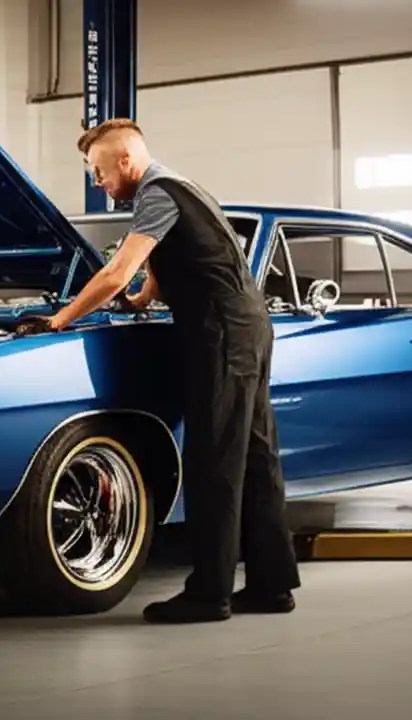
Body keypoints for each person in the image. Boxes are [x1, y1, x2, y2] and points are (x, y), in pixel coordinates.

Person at [40, 118, 300, 623]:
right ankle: (272, 585)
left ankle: (209, 594)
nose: (98, 183)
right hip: (249, 326)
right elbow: (161, 257)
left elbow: (118, 269)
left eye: (98, 172)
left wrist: (63, 317)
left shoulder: (155, 194)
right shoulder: (181, 186)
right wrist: (145, 298)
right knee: (255, 460)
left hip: (221, 333)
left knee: (214, 460)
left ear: (124, 161)